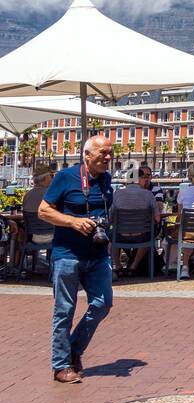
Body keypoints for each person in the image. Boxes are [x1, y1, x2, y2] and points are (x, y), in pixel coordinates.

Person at [38, 136, 114, 383]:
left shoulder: (106, 180)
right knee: (64, 310)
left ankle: (73, 348)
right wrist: (73, 221)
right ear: (87, 155)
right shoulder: (65, 177)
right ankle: (61, 366)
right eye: (103, 153)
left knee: (102, 304)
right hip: (67, 254)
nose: (108, 158)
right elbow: (43, 210)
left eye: (110, 153)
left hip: (98, 254)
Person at [111, 164, 161, 275]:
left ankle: (118, 266)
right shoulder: (149, 195)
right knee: (149, 235)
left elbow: (110, 217)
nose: (145, 180)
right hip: (141, 236)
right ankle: (133, 266)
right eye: (143, 178)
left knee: (112, 237)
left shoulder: (117, 194)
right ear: (138, 180)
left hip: (120, 236)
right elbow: (157, 219)